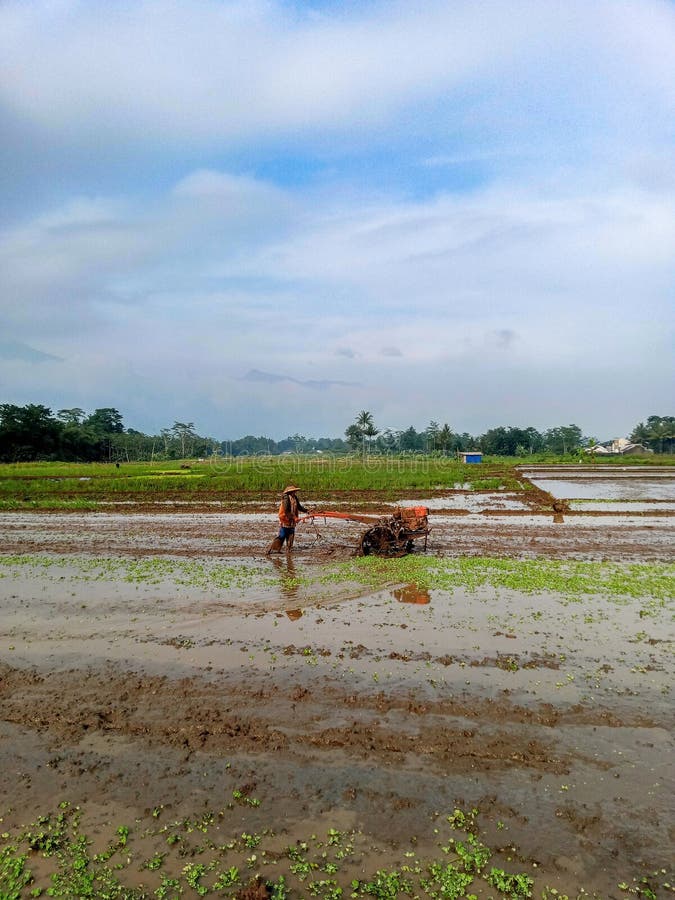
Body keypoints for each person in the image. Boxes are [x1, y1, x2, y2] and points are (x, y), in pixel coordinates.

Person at [266, 485, 308, 554]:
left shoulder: (294, 498)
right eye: (293, 491)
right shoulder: (286, 498)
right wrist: (294, 517)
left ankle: (289, 550)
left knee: (291, 534)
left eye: (295, 491)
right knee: (282, 535)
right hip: (285, 518)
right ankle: (273, 549)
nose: (295, 492)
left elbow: (299, 507)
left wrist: (307, 510)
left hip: (291, 520)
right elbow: (286, 510)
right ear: (290, 492)